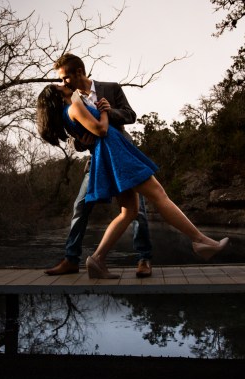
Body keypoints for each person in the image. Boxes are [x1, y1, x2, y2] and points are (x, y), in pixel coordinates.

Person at [36, 80, 229, 278]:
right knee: (159, 195)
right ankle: (200, 241)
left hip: (112, 153)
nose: (64, 84)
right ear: (58, 96)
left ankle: (97, 259)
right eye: (60, 86)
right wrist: (103, 111)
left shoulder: (70, 111)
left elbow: (92, 132)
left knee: (130, 211)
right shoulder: (74, 107)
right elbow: (101, 130)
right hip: (117, 154)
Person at [43, 54, 154, 278]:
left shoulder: (111, 88)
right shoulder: (69, 100)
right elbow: (73, 135)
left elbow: (130, 115)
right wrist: (80, 143)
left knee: (137, 211)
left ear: (79, 73)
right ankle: (70, 259)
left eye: (65, 78)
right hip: (95, 159)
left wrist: (108, 111)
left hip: (119, 156)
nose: (63, 83)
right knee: (80, 207)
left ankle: (143, 259)